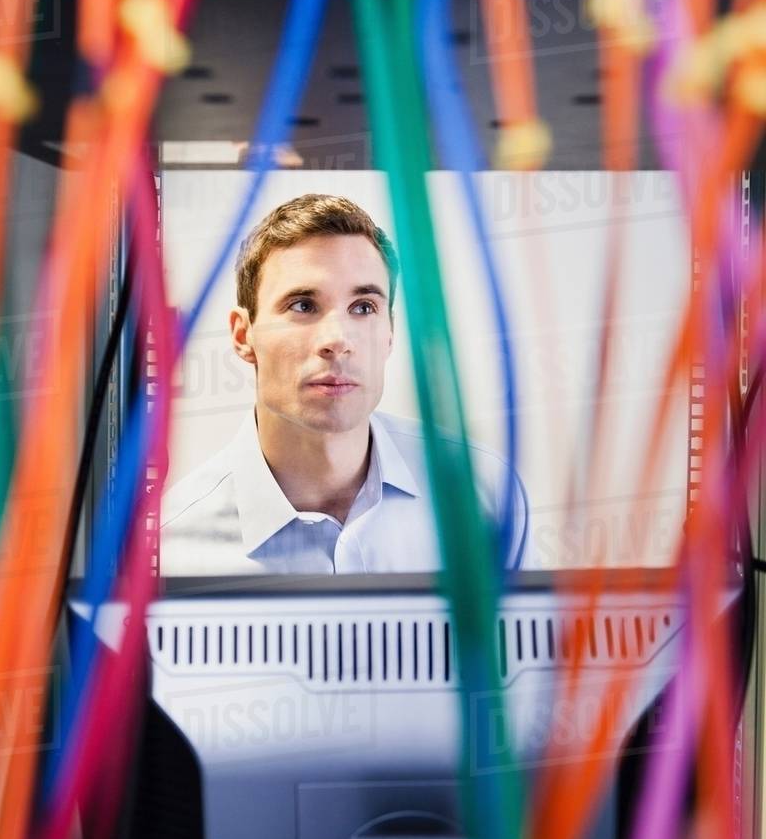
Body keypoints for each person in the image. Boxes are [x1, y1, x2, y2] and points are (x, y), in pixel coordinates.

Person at [161, 193, 528, 575]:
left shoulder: (484, 496)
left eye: (364, 307)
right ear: (243, 335)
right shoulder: (171, 548)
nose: (337, 340)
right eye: (303, 305)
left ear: (389, 332)